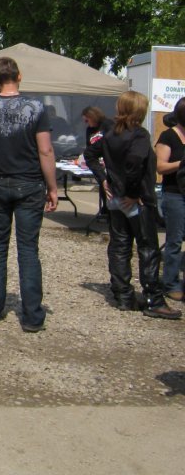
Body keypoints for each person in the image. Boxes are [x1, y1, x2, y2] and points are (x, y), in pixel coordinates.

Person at [0, 56, 59, 332]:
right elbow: (45, 150)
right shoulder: (36, 107)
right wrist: (53, 187)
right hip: (29, 182)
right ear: (19, 76)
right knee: (27, 249)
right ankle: (32, 314)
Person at [82, 90, 179, 319]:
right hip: (137, 200)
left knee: (120, 245)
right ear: (140, 111)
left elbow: (90, 153)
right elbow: (135, 162)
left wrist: (105, 179)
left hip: (116, 198)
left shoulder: (110, 133)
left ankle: (123, 295)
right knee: (147, 249)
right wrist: (132, 192)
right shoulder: (140, 135)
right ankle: (153, 299)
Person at [156, 98, 185, 301]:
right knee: (174, 241)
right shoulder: (168, 136)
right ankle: (171, 283)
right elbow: (160, 167)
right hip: (174, 193)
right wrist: (182, 162)